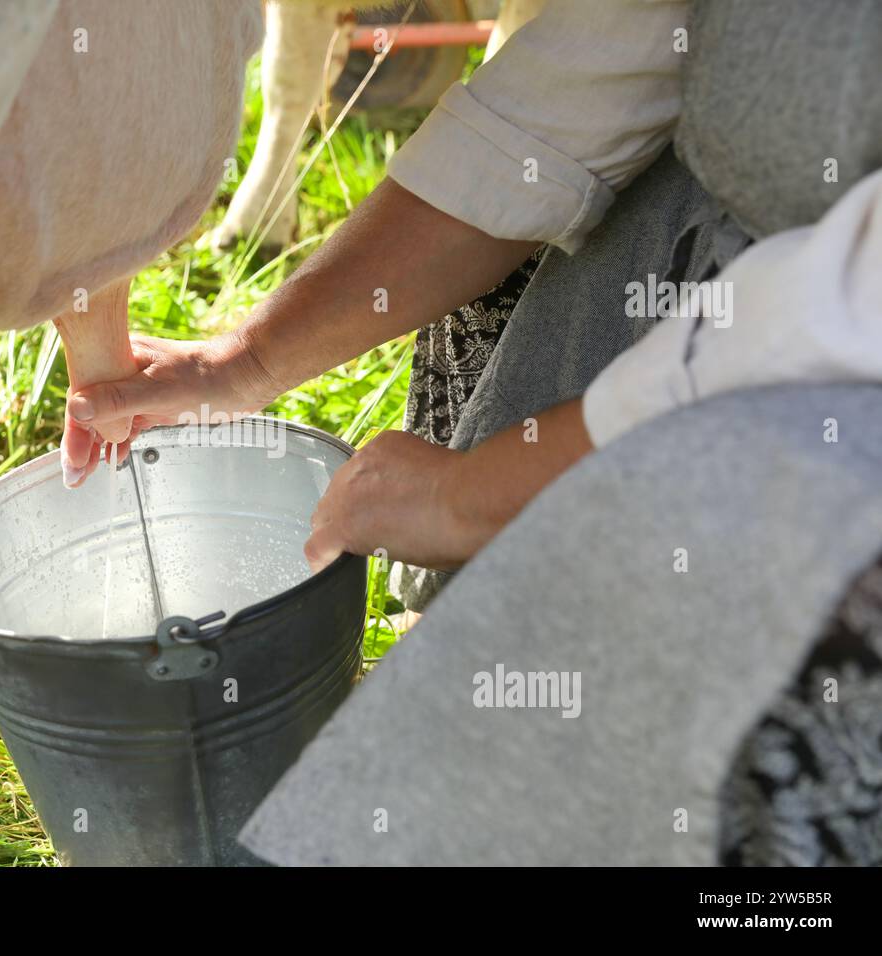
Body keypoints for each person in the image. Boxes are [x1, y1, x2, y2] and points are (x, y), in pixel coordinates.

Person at [62, 0, 882, 864]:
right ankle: (475, 674)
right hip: (734, 241)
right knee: (532, 231)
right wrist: (246, 361)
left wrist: (472, 494)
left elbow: (839, 314)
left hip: (828, 406)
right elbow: (602, 69)